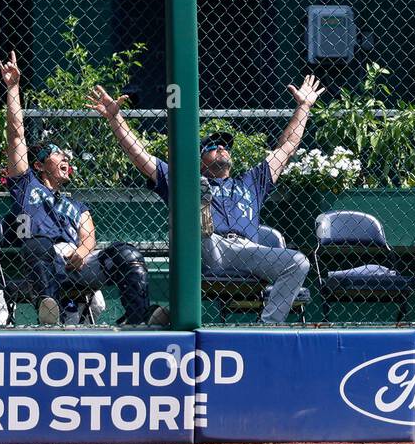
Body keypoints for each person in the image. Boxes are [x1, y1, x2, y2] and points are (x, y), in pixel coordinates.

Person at [86, 75, 326, 325]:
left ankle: (267, 326)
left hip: (247, 251)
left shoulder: (251, 182)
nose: (222, 147)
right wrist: (115, 119)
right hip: (205, 248)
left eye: (225, 146)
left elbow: (287, 148)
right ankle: (200, 205)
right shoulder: (183, 180)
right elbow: (141, 157)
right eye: (212, 146)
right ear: (200, 160)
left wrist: (304, 106)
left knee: (298, 262)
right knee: (195, 189)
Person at [0, 51, 155, 326]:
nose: (65, 158)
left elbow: (88, 234)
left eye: (66, 155)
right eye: (56, 153)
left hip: (77, 261)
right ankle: (50, 311)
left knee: (127, 253)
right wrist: (13, 88)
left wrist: (82, 253)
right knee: (37, 244)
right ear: (39, 165)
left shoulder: (77, 205)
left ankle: (137, 318)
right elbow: (16, 133)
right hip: (43, 261)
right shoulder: (25, 185)